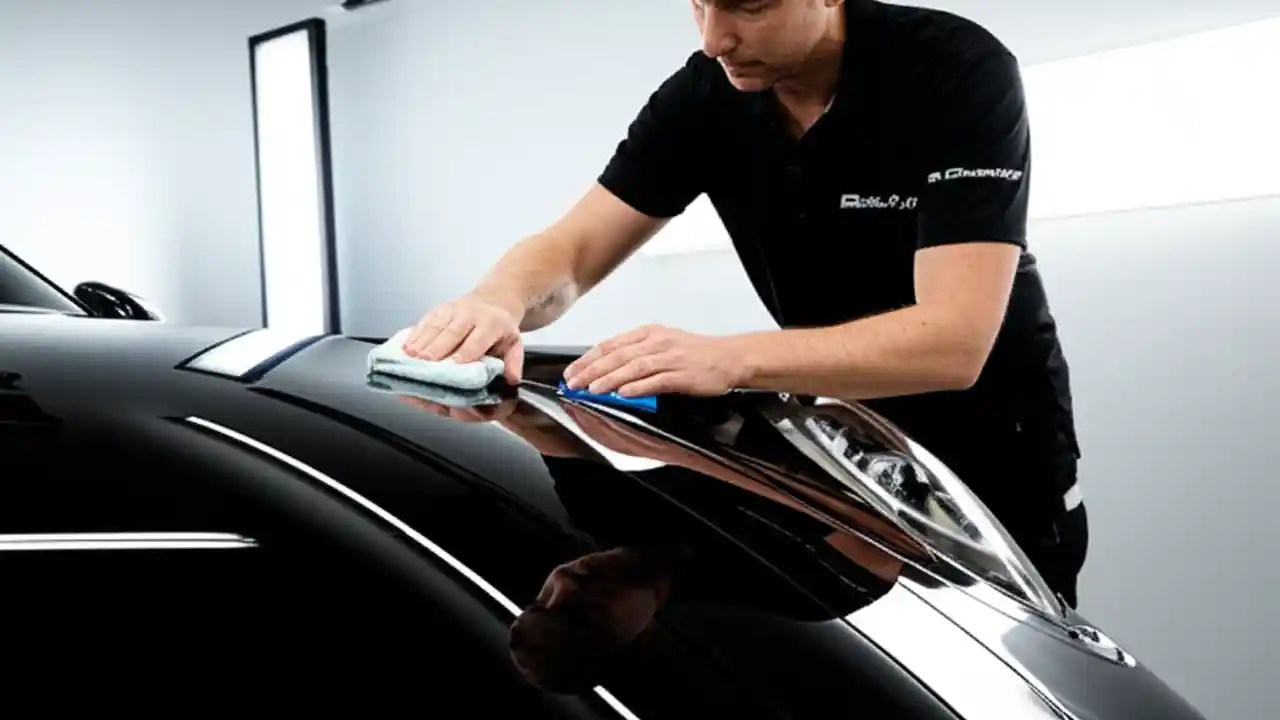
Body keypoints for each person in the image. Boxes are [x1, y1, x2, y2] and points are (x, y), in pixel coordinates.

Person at [401, 0, 1088, 607]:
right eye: (699, 5)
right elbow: (573, 254)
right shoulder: (703, 96)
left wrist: (728, 359)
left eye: (748, 7)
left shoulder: (956, 70)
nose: (714, 39)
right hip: (836, 465)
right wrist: (497, 301)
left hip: (996, 486)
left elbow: (953, 342)